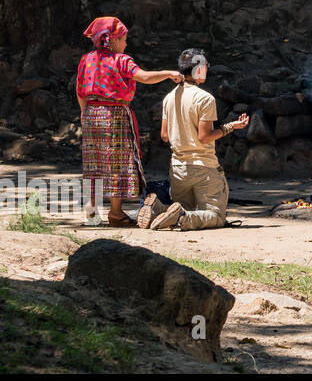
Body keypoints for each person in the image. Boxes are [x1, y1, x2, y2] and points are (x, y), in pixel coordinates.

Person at [76, 17, 183, 226]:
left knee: (94, 162)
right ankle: (116, 213)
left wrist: (84, 114)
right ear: (113, 40)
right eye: (123, 39)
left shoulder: (86, 60)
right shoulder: (121, 60)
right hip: (114, 114)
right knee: (116, 162)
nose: (125, 44)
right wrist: (168, 74)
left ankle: (91, 211)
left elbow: (80, 90)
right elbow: (143, 77)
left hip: (90, 114)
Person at [144, 48, 250, 231]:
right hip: (204, 168)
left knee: (191, 209)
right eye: (206, 66)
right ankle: (181, 217)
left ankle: (158, 209)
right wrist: (230, 127)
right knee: (216, 216)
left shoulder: (169, 98)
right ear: (199, 69)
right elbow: (204, 137)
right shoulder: (205, 99)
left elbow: (164, 136)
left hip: (178, 170)